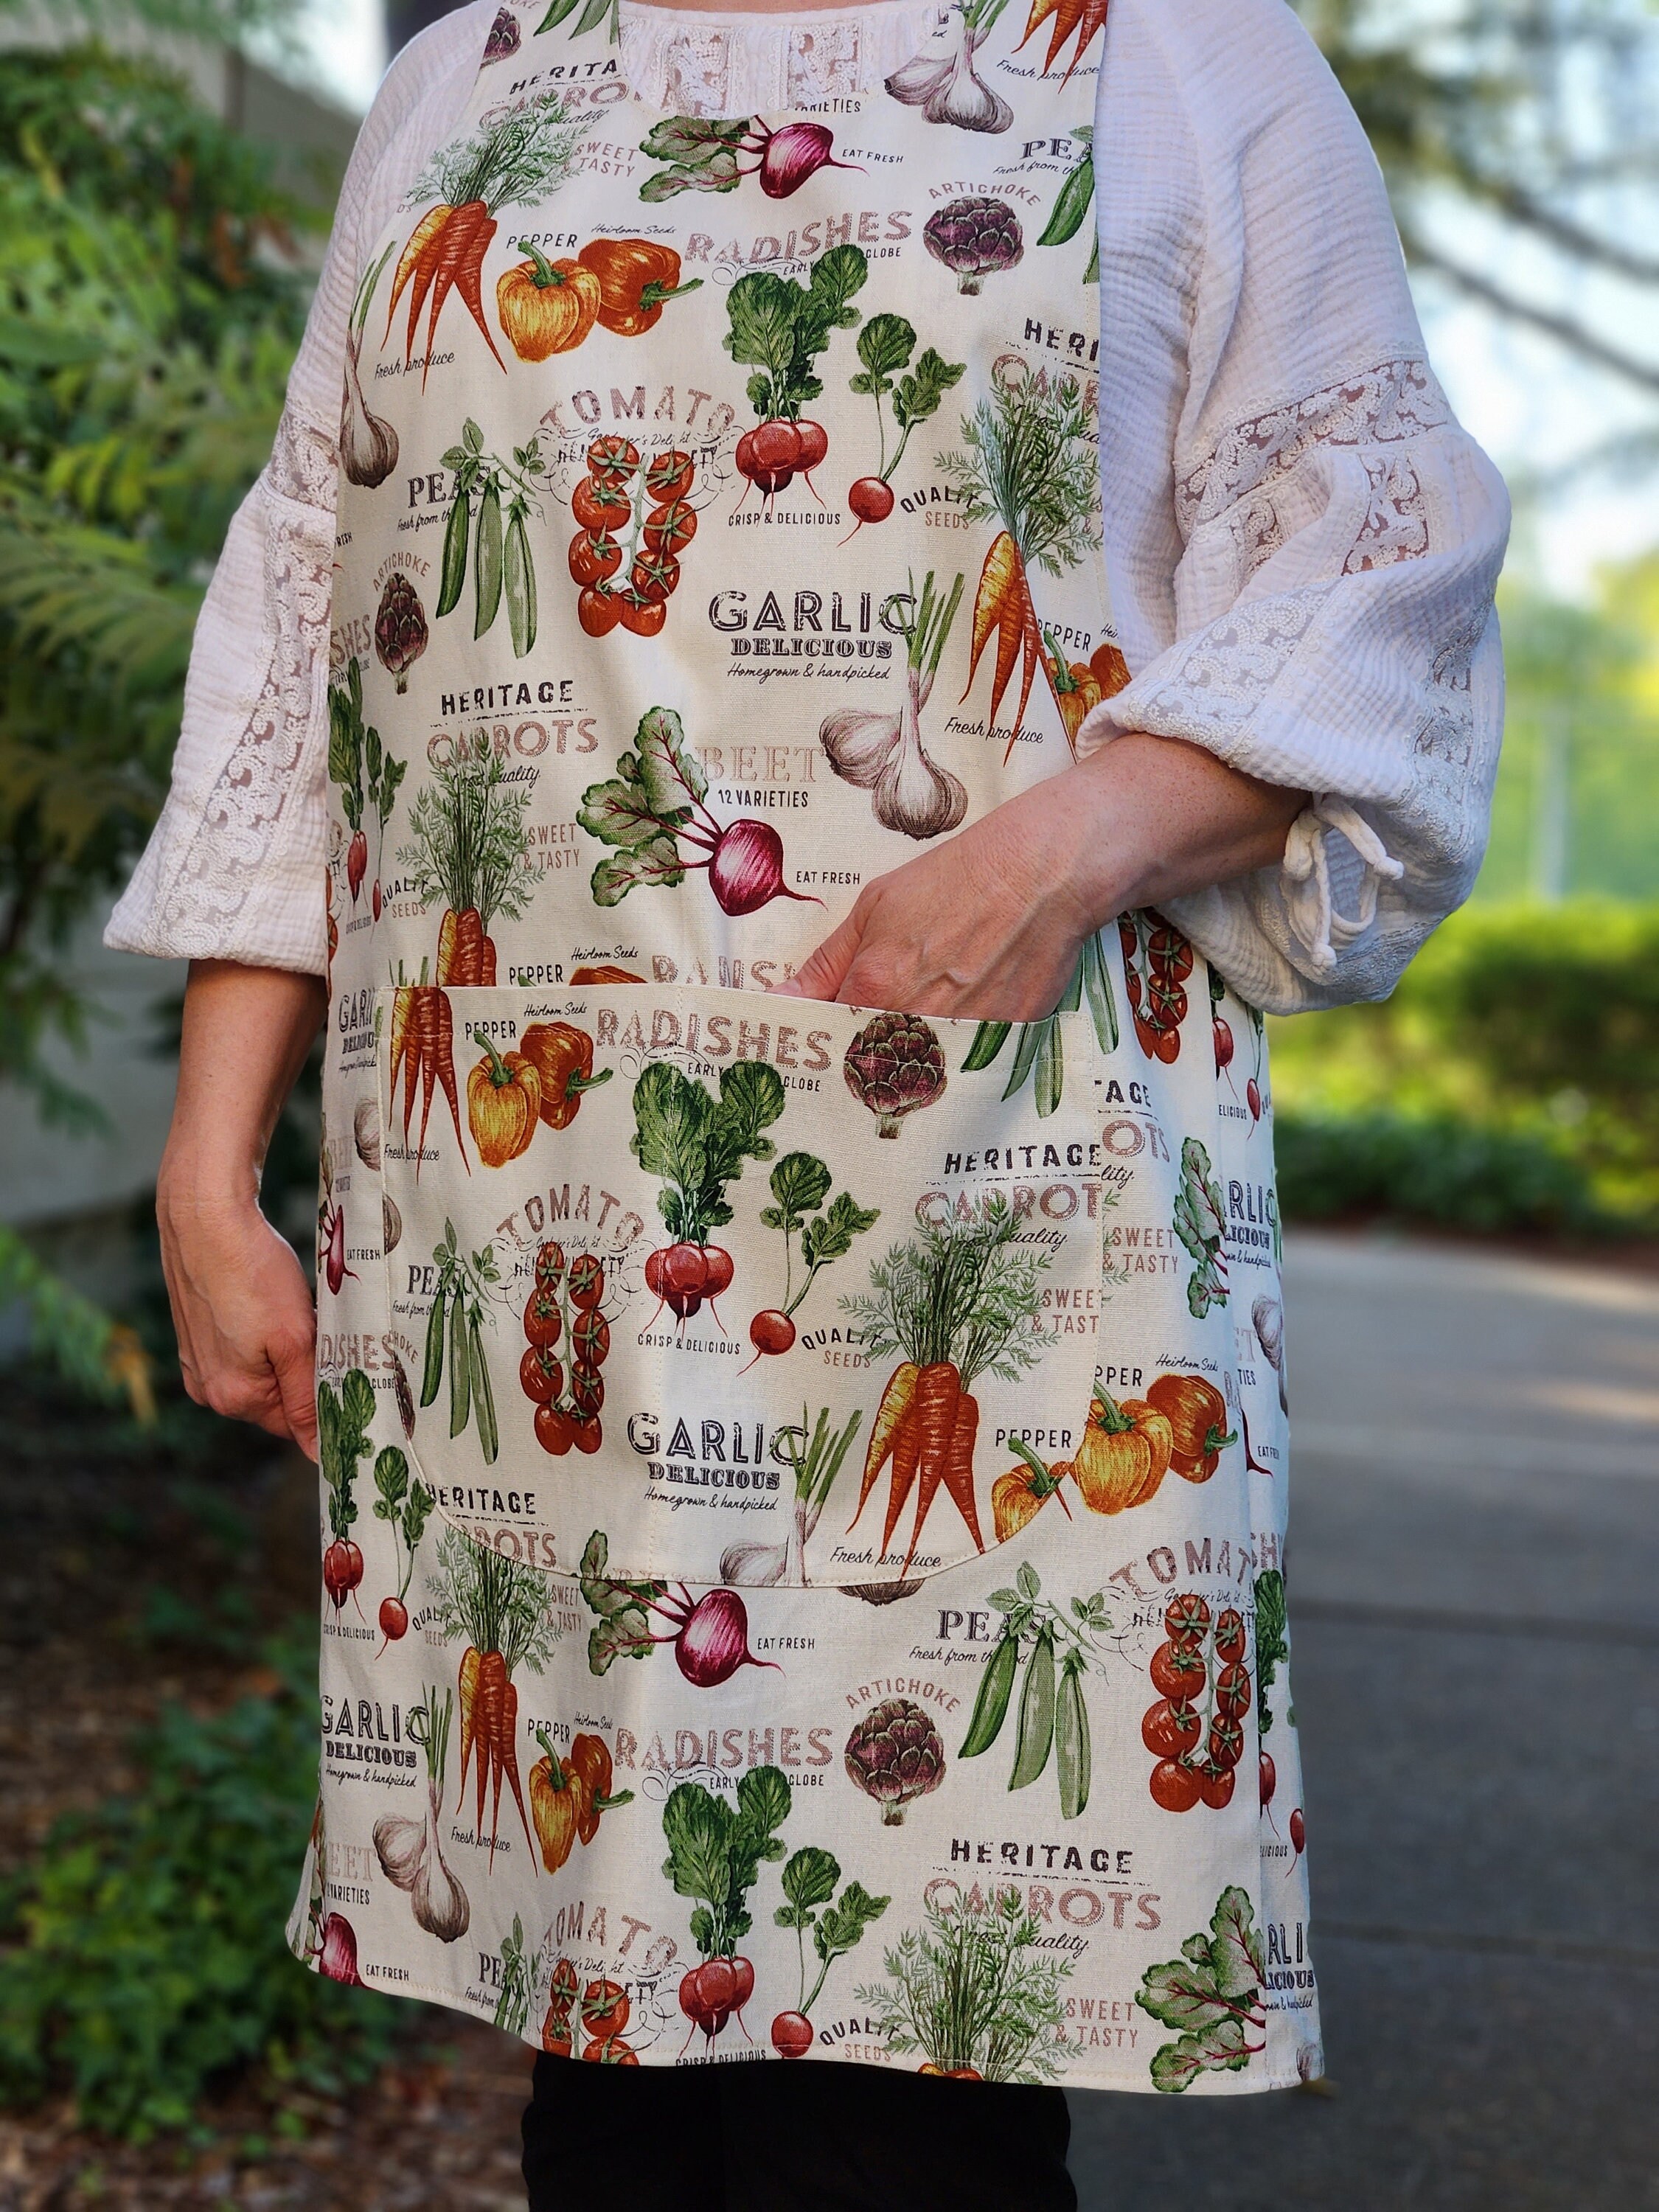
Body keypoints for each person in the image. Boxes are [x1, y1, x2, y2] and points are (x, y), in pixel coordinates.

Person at [108, 0, 1508, 2202]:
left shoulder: (1178, 60)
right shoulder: (469, 77)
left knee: (914, 2068)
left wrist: (1067, 844)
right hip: (541, 1204)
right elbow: (310, 611)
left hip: (1006, 1187)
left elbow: (1381, 574)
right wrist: (211, 1168)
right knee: (605, 2025)